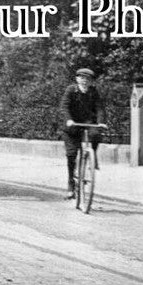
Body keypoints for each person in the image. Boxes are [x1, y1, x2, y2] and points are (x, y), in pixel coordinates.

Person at [60, 68, 105, 199]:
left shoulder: (93, 92)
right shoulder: (71, 90)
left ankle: (93, 156)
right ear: (77, 79)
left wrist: (101, 122)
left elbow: (99, 107)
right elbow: (64, 106)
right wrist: (68, 120)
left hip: (87, 122)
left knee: (96, 134)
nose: (85, 81)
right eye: (82, 78)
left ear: (91, 81)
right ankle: (70, 183)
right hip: (72, 125)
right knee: (71, 154)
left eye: (88, 79)